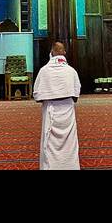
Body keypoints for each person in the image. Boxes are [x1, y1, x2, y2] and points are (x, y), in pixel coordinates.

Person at [33, 41, 81, 169]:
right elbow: (76, 96)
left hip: (50, 111)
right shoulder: (72, 71)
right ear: (64, 53)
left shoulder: (44, 71)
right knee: (69, 144)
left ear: (51, 53)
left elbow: (37, 96)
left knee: (49, 145)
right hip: (68, 114)